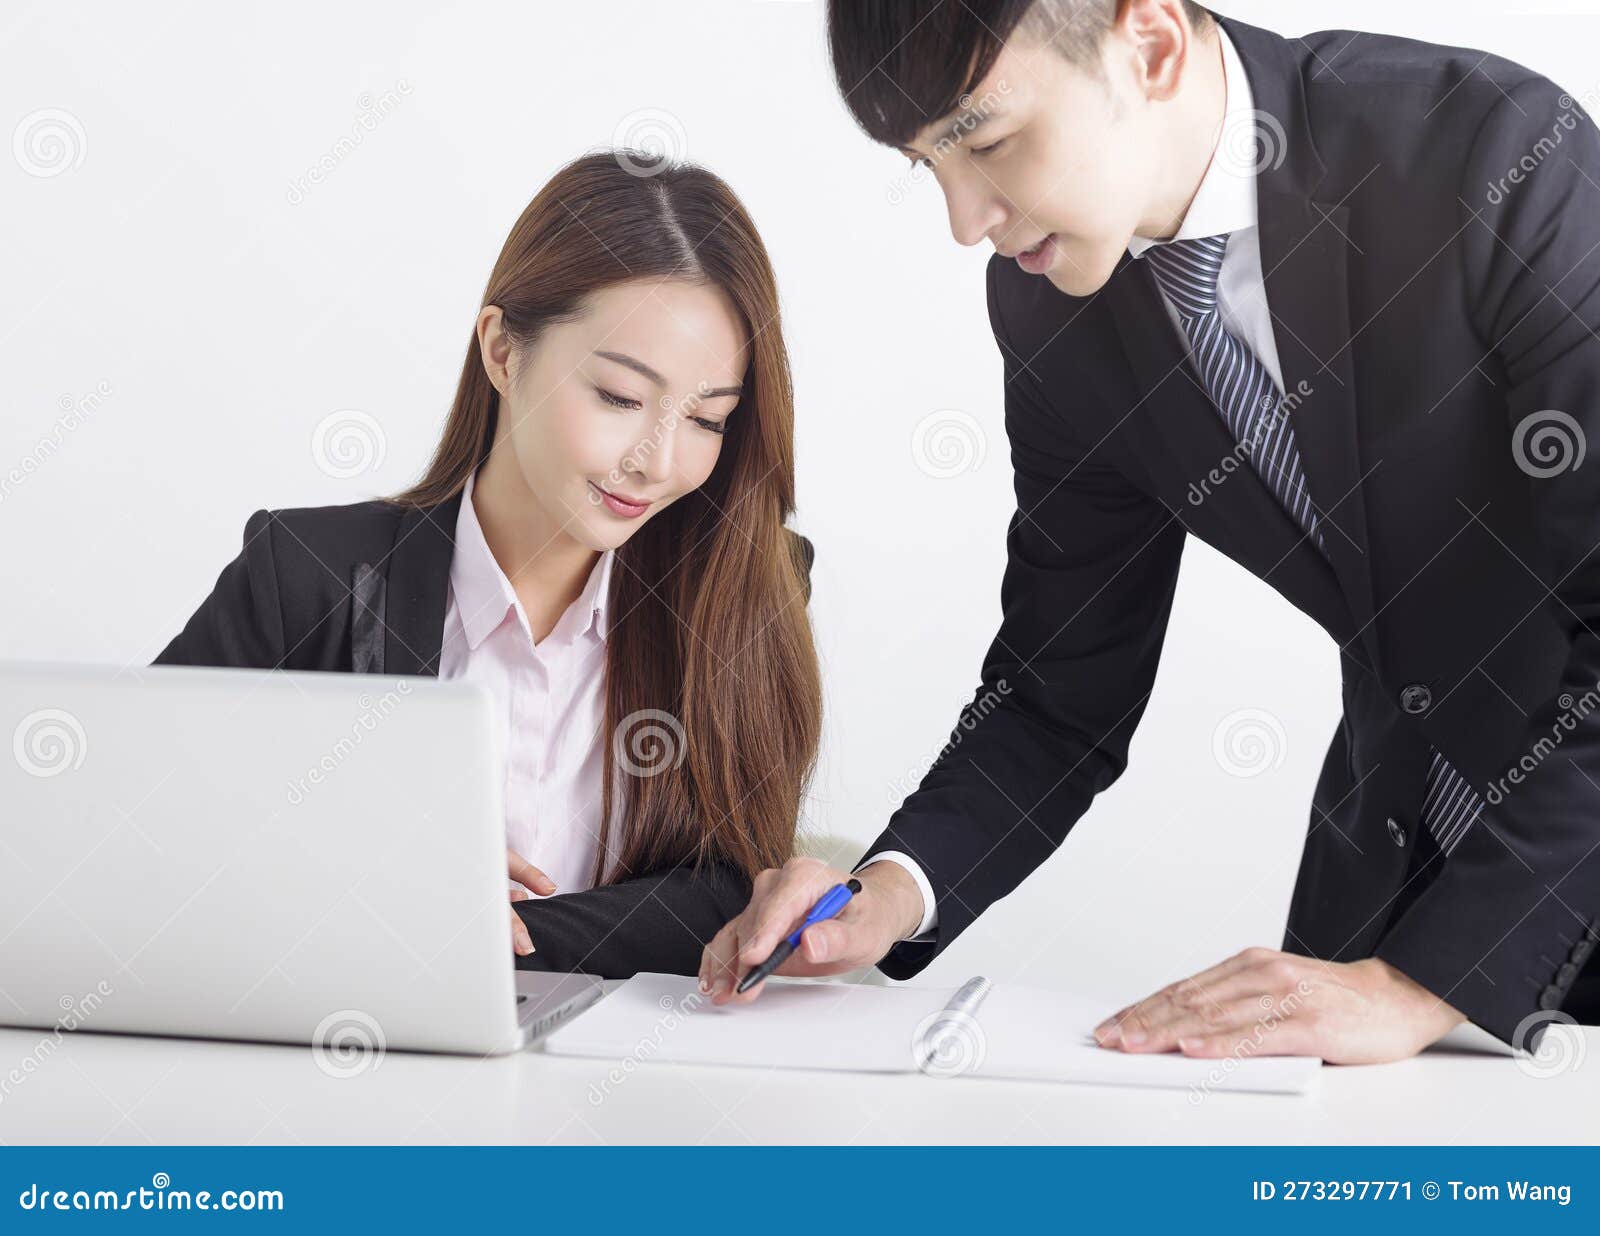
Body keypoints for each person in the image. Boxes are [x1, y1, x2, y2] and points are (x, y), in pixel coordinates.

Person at [700, 0, 1600, 1063]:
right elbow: (1056, 691)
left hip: (1509, 903)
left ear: (1151, 43)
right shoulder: (1052, 308)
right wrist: (887, 891)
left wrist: (1423, 982)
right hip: (1378, 910)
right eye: (925, 165)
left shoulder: (1491, 152)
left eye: (985, 142)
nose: (963, 218)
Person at [155, 150, 823, 979]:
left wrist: (469, 929)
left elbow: (730, 888)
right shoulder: (305, 578)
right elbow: (137, 840)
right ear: (503, 351)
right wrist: (367, 882)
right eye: (619, 398)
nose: (658, 461)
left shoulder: (747, 586)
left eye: (708, 419)